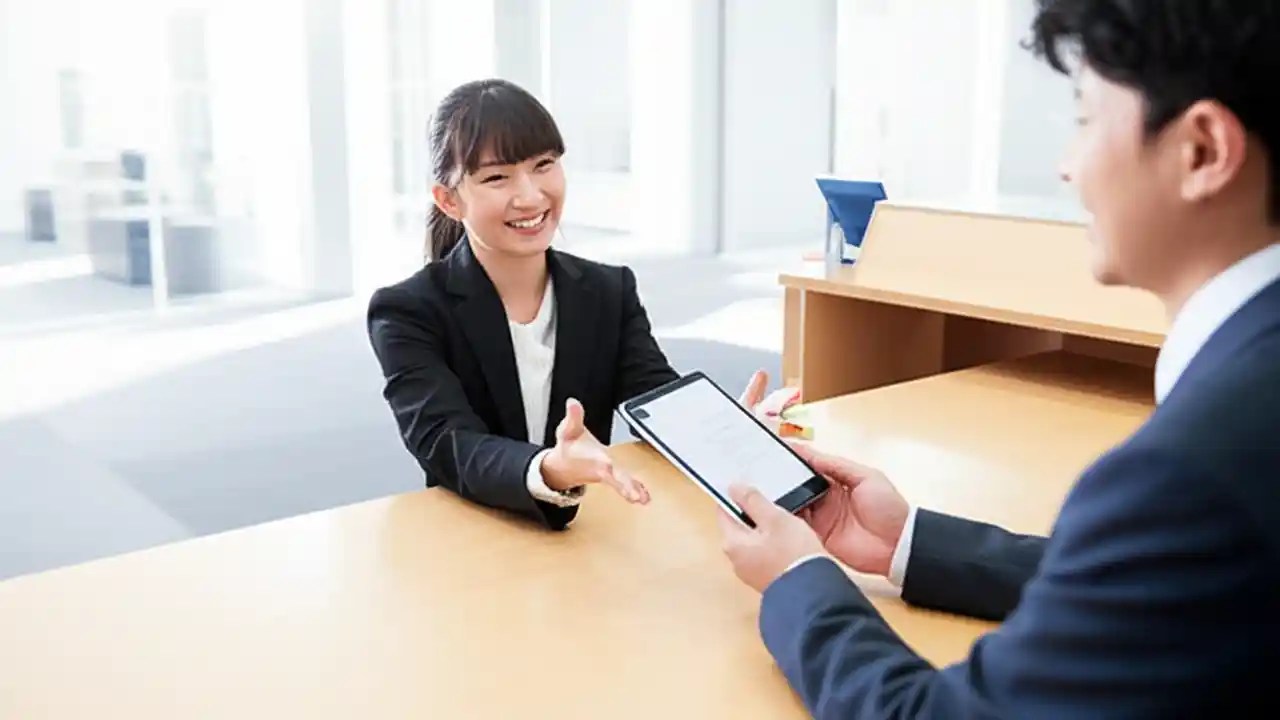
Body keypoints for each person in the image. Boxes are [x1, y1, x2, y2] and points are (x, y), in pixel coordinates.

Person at [717, 0, 1280, 716]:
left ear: (1202, 151)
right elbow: (1168, 587)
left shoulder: (1190, 472)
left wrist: (798, 578)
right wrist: (908, 543)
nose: (1067, 168)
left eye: (1084, 121)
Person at [367, 79, 772, 530]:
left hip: (581, 531)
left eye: (544, 165)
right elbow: (448, 442)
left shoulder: (606, 291)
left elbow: (656, 397)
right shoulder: (408, 310)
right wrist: (550, 468)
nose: (530, 196)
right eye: (497, 177)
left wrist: (726, 428)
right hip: (471, 530)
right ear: (448, 199)